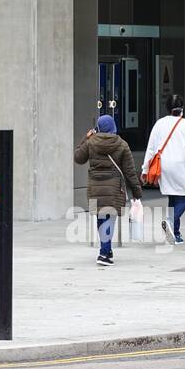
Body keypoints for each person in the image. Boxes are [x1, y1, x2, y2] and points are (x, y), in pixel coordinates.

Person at [74, 114, 142, 266]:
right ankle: (104, 253)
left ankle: (106, 250)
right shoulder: (122, 144)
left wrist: (85, 138)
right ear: (113, 126)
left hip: (95, 188)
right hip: (114, 188)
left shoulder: (91, 142)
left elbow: (78, 158)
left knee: (101, 218)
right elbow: (129, 171)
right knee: (109, 219)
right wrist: (136, 192)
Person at [142, 95, 185, 244]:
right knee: (183, 200)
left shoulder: (159, 123)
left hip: (163, 165)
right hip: (181, 165)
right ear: (182, 108)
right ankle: (170, 221)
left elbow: (151, 148)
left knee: (173, 198)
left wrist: (145, 169)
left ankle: (175, 233)